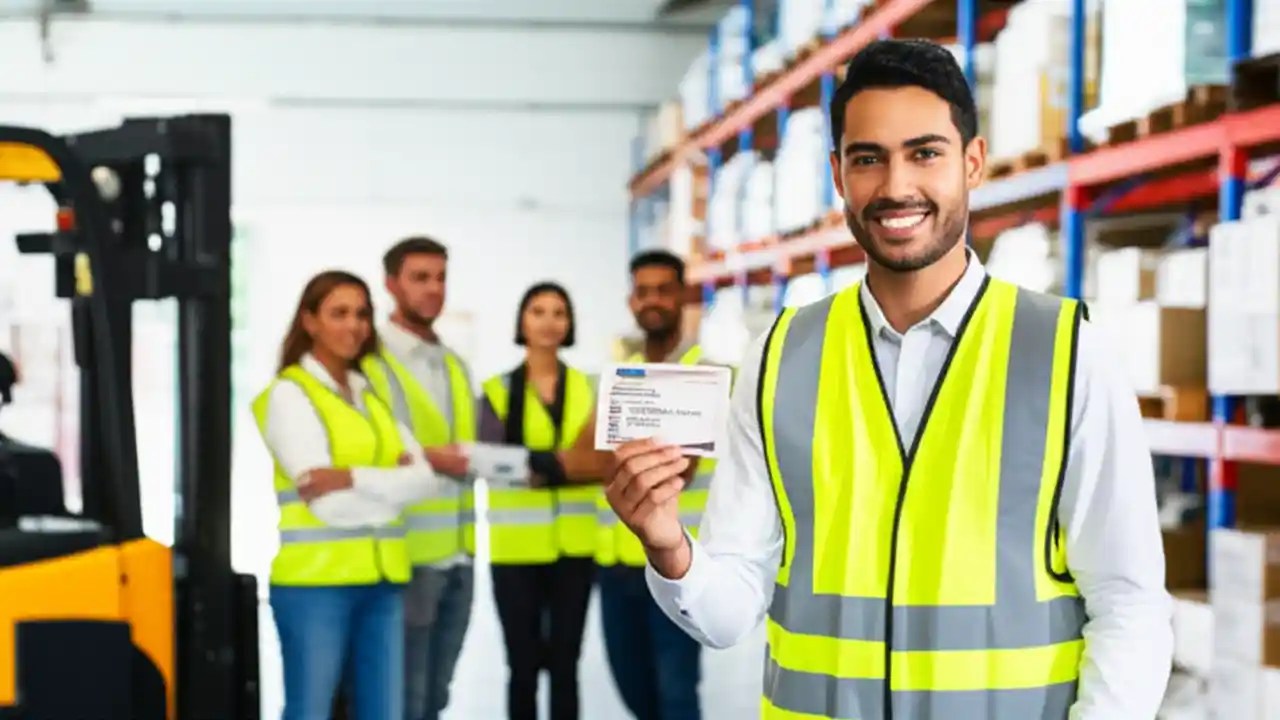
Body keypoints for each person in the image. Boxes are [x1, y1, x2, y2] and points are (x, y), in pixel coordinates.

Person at [606, 39, 1173, 720]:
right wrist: (669, 546)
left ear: (973, 162)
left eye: (924, 153)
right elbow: (729, 609)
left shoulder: (1065, 352)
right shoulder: (781, 355)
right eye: (868, 158)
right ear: (839, 175)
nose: (896, 186)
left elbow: (1129, 601)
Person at [251, 270, 465, 720]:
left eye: (362, 314)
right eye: (339, 313)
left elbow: (426, 481)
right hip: (316, 589)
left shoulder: (369, 394)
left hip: (383, 584)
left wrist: (349, 475)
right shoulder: (290, 394)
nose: (354, 326)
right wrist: (389, 483)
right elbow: (326, 503)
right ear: (309, 321)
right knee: (311, 712)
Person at [593, 250, 717, 720]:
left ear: (683, 296)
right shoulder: (619, 374)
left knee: (676, 694)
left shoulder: (706, 371)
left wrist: (620, 452)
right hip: (617, 563)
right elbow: (597, 460)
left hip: (677, 563)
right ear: (631, 300)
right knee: (635, 692)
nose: (653, 300)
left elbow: (676, 468)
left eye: (664, 289)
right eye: (643, 291)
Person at [357, 237, 476, 720]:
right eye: (420, 277)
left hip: (459, 555)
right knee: (405, 700)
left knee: (436, 699)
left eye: (441, 277)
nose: (433, 289)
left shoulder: (454, 365)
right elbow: (366, 452)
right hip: (405, 559)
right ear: (391, 285)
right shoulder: (370, 365)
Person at [478, 282, 597, 720]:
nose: (549, 322)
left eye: (559, 312)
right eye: (538, 311)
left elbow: (603, 460)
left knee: (567, 667)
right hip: (515, 552)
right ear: (522, 321)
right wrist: (566, 465)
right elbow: (491, 463)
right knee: (522, 667)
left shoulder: (591, 388)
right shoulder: (494, 392)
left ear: (569, 324)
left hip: (577, 548)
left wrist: (539, 466)